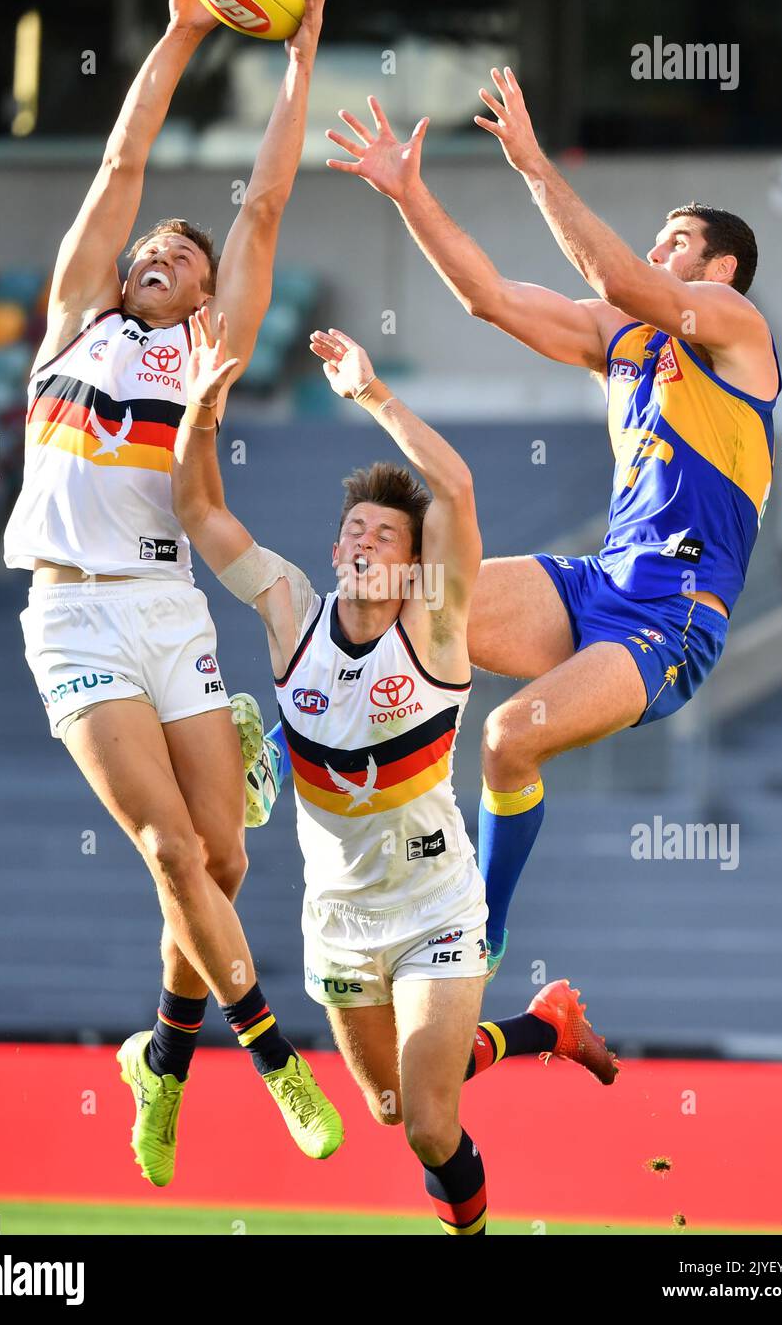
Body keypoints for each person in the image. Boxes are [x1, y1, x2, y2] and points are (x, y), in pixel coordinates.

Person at [244, 70, 781, 978]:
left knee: (507, 739)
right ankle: (286, 740)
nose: (655, 254)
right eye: (656, 240)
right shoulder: (628, 346)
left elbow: (612, 274)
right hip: (601, 583)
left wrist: (532, 163)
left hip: (672, 616)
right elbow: (487, 296)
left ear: (719, 268)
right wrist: (411, 192)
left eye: (675, 243)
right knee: (407, 597)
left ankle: (481, 934)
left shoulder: (734, 326)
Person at [2, 0, 342, 1186]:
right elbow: (121, 162)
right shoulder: (75, 322)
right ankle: (271, 1057)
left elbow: (261, 205)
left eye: (179, 256)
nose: (158, 250)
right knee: (171, 855)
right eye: (150, 247)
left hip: (165, 604)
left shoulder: (212, 344)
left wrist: (299, 58)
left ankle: (159, 1053)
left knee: (228, 862)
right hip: (73, 621)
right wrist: (187, 31)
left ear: (203, 291)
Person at [172, 308, 617, 1235]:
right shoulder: (292, 609)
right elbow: (201, 512)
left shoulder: (435, 626)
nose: (365, 542)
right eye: (354, 531)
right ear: (336, 548)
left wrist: (371, 393)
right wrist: (202, 409)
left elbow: (451, 487)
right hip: (338, 920)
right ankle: (545, 1027)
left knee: (427, 1124)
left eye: (385, 534)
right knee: (388, 1109)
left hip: (437, 912)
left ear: (416, 565)